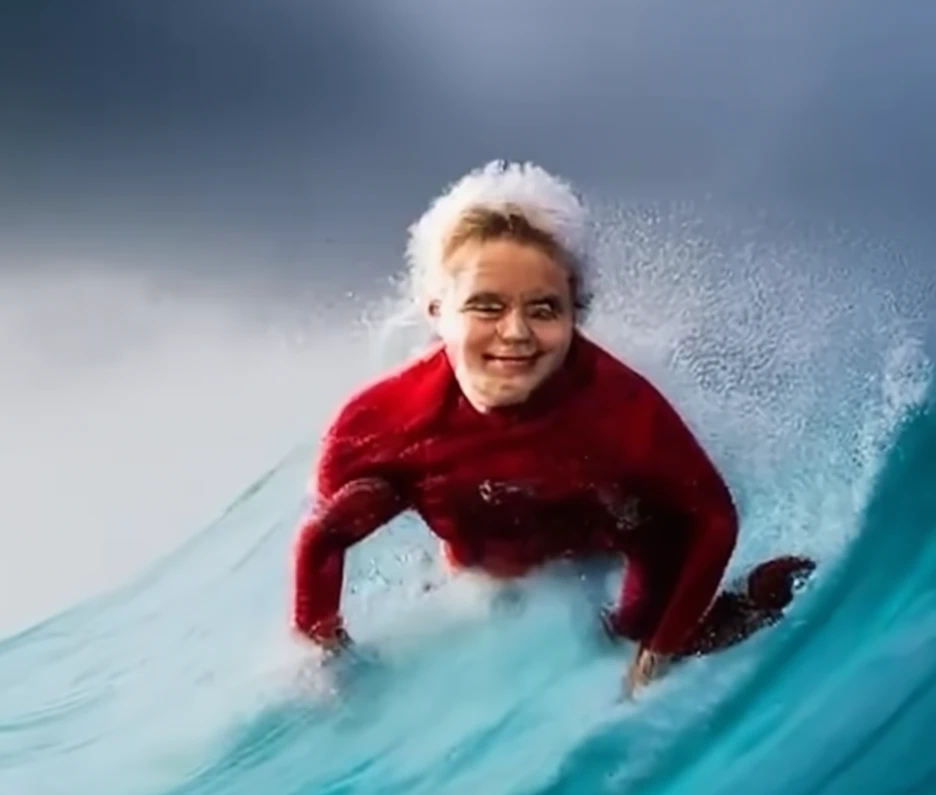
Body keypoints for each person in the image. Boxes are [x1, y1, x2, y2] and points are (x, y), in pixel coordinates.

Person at [291, 161, 814, 696]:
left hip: (613, 543)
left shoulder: (620, 408)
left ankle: (748, 603)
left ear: (573, 312)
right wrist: (327, 651)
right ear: (437, 310)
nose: (515, 333)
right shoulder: (375, 425)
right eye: (485, 306)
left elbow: (713, 517)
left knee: (636, 635)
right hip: (488, 576)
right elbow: (323, 538)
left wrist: (658, 652)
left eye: (544, 309)